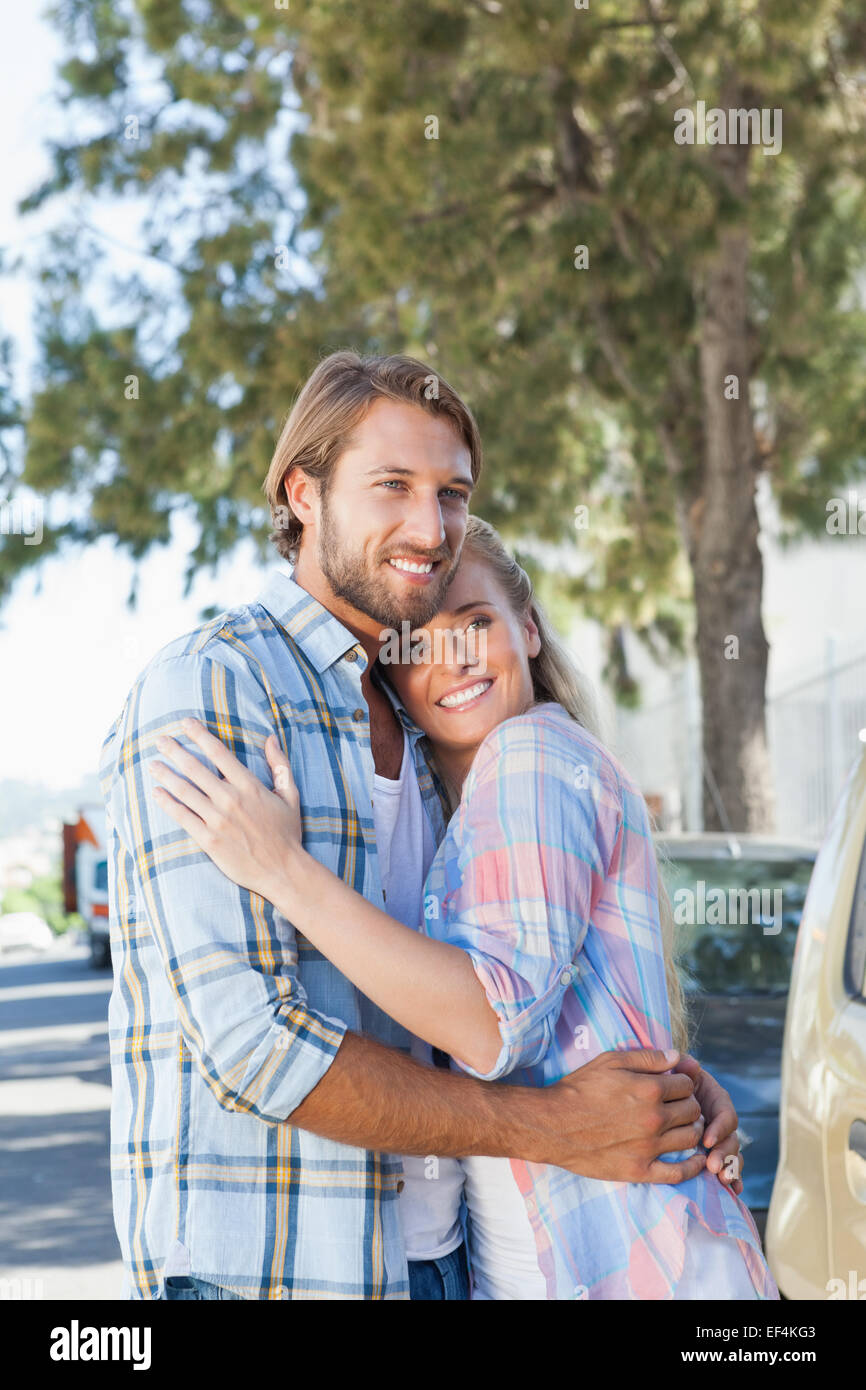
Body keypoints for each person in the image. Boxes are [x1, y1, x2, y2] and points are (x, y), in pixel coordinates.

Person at [102, 350, 742, 1301]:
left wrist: (667, 1087)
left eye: (452, 492)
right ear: (304, 493)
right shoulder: (214, 686)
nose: (429, 523)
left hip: (445, 1261)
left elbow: (512, 975)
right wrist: (553, 1124)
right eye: (392, 485)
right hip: (279, 1273)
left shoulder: (433, 721)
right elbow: (253, 1048)